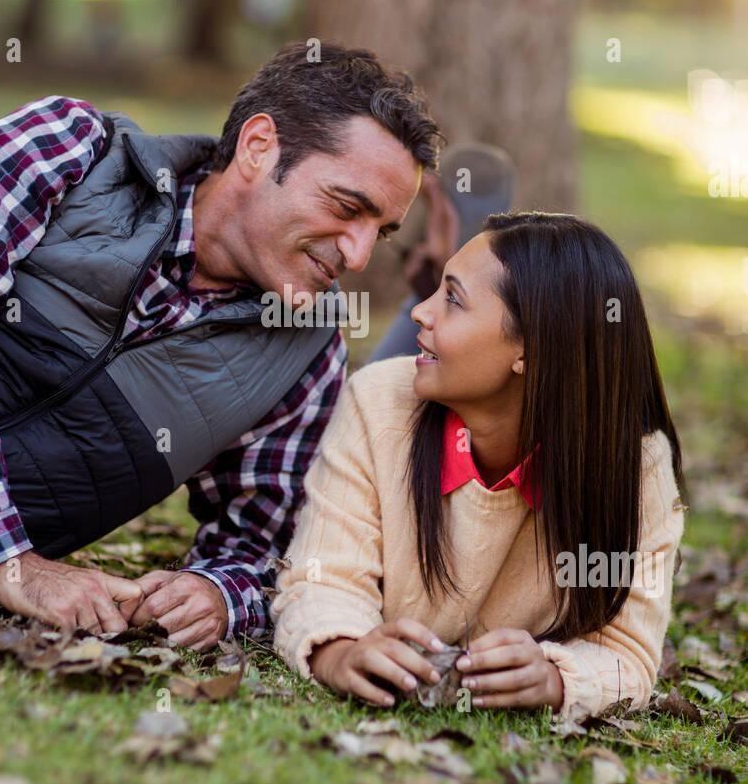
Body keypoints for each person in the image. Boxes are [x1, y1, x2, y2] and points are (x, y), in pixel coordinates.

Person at [0, 42, 441, 646]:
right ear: (258, 148)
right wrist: (4, 555)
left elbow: (267, 545)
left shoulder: (303, 356)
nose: (357, 256)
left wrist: (220, 596)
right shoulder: (70, 148)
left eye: (379, 232)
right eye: (345, 207)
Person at [271, 212, 687, 722]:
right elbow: (323, 580)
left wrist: (557, 679)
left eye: (453, 298)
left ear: (531, 349)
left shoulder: (636, 469)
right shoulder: (377, 403)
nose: (420, 312)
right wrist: (340, 650)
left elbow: (626, 653)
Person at [365, 143, 516, 364]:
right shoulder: (440, 293)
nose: (425, 246)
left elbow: (371, 387)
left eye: (439, 217)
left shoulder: (482, 315)